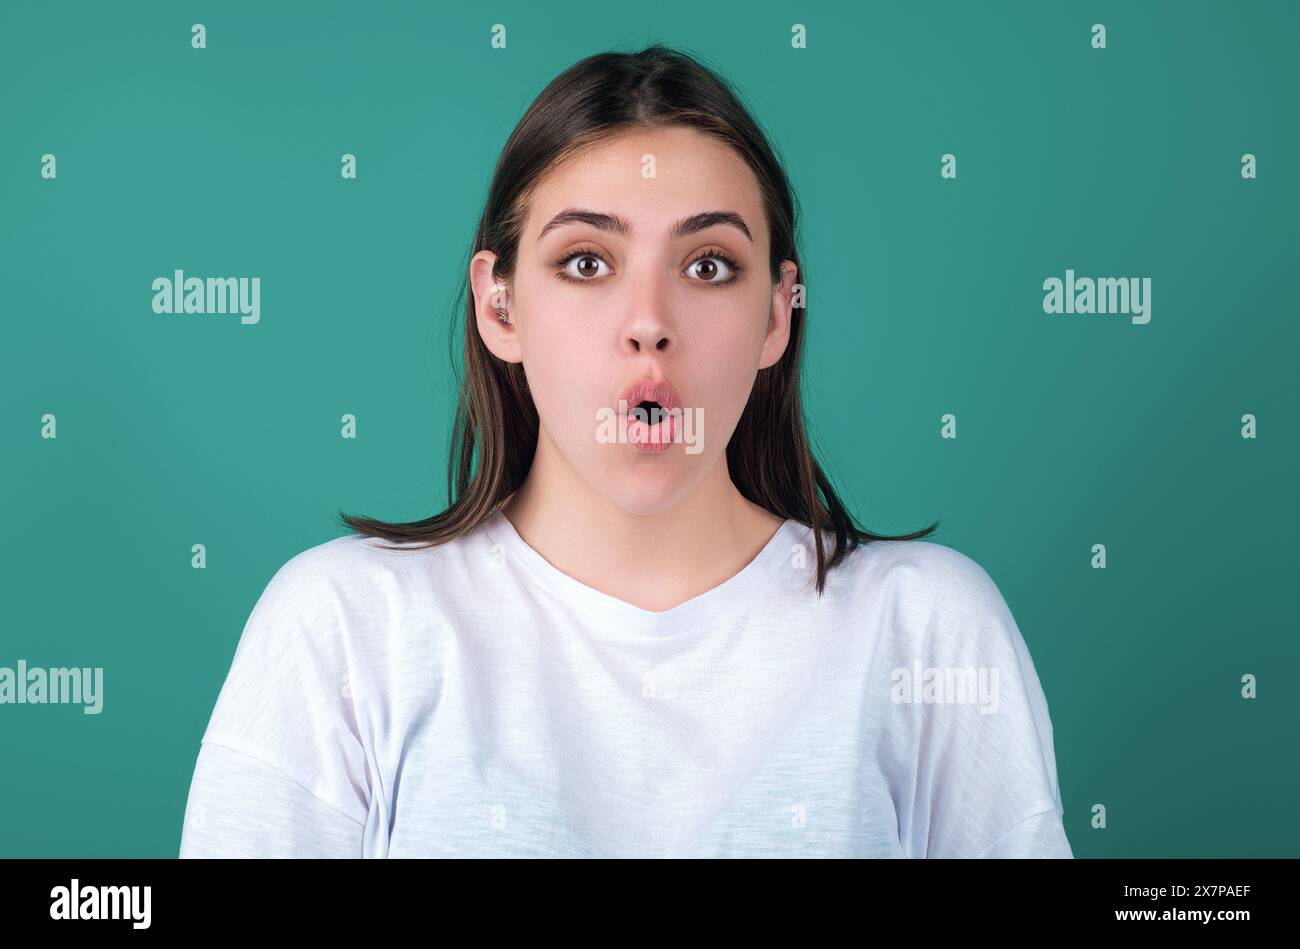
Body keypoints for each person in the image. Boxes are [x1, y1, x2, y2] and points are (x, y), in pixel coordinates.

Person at [179, 44, 1072, 858]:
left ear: (775, 313)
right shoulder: (343, 628)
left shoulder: (928, 630)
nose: (648, 323)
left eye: (709, 265)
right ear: (500, 308)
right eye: (586, 262)